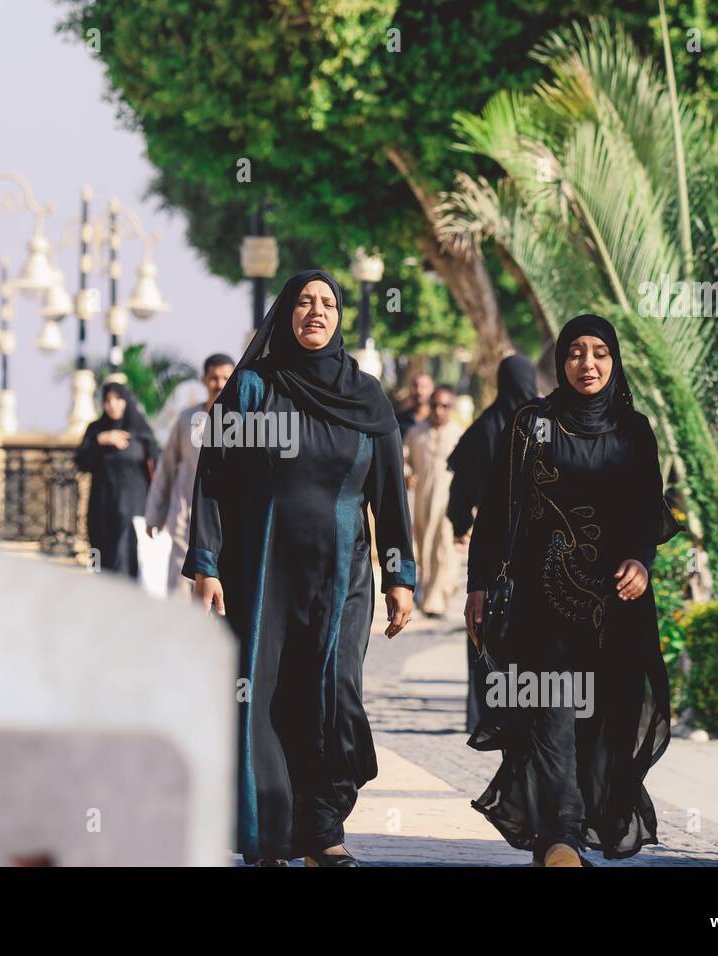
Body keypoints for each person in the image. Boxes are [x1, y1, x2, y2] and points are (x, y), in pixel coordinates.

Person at [184, 269, 415, 867]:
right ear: (286, 311)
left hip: (345, 575)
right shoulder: (255, 388)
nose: (317, 311)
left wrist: (400, 575)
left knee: (334, 696)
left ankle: (321, 827)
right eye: (305, 301)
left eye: (329, 303)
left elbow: (390, 495)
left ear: (340, 318)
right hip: (260, 570)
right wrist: (206, 563)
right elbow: (213, 478)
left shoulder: (366, 396)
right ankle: (274, 837)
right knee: (263, 697)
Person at [464, 314, 675, 866]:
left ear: (615, 360)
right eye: (576, 352)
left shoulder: (635, 430)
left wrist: (641, 560)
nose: (588, 364)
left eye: (600, 352)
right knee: (550, 715)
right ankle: (562, 835)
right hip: (542, 606)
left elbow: (646, 512)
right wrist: (479, 583)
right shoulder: (532, 423)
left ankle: (564, 834)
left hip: (617, 608)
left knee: (604, 721)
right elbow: (495, 509)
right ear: (560, 361)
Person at [447, 355, 539, 731]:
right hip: (535, 541)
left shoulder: (485, 426)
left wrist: (462, 523)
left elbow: (460, 486)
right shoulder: (544, 422)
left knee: (485, 621)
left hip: (492, 541)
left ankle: (484, 714)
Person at [145, 353, 235, 598]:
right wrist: (154, 513)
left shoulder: (244, 423)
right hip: (186, 521)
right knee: (181, 593)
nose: (220, 384)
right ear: (204, 381)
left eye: (226, 378)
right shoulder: (187, 421)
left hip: (226, 523)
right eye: (214, 378)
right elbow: (166, 467)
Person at [75, 382, 161, 580]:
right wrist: (101, 440)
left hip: (134, 507)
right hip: (102, 506)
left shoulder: (141, 432)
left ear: (126, 401)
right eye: (107, 400)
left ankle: (125, 601)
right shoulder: (96, 430)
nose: (112, 404)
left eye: (117, 399)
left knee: (127, 555)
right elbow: (82, 463)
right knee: (99, 556)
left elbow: (158, 467)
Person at [405, 385, 465, 617]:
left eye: (444, 406)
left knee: (444, 550)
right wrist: (408, 473)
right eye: (435, 405)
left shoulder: (459, 434)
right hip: (422, 502)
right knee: (424, 550)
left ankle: (435, 601)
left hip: (449, 503)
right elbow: (403, 458)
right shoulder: (417, 433)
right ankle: (429, 593)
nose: (439, 411)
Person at [396, 372, 434, 438]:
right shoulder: (399, 419)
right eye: (415, 386)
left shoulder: (436, 419)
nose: (419, 391)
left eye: (423, 387)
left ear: (432, 389)